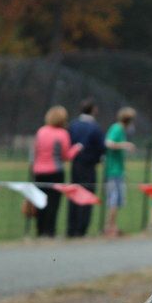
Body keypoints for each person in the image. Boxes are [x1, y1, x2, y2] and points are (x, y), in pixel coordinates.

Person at [32, 106, 82, 238]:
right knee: (53, 203)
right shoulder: (62, 134)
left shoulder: (41, 131)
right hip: (55, 172)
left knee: (40, 202)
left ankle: (40, 230)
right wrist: (76, 148)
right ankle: (50, 231)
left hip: (38, 172)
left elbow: (35, 151)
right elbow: (66, 156)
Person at [66, 98, 106, 238]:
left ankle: (71, 228)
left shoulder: (73, 125)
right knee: (86, 197)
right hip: (89, 167)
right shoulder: (95, 127)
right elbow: (102, 148)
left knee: (74, 196)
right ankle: (81, 229)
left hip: (75, 165)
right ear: (93, 110)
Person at [102, 107, 136, 237]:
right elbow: (109, 143)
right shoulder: (117, 128)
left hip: (118, 170)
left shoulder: (121, 130)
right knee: (114, 199)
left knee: (117, 199)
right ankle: (109, 227)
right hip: (113, 170)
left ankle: (112, 225)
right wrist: (125, 145)